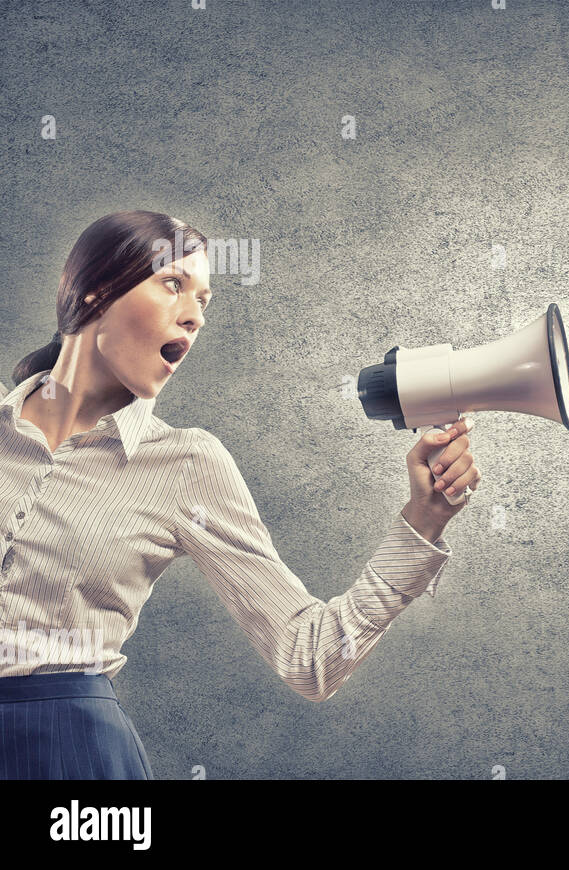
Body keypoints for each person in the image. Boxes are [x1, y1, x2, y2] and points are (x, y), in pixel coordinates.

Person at [0, 210, 480, 779]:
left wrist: (425, 518)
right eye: (173, 283)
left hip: (70, 757)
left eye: (205, 301)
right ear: (97, 291)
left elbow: (310, 658)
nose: (194, 316)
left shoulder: (187, 465)